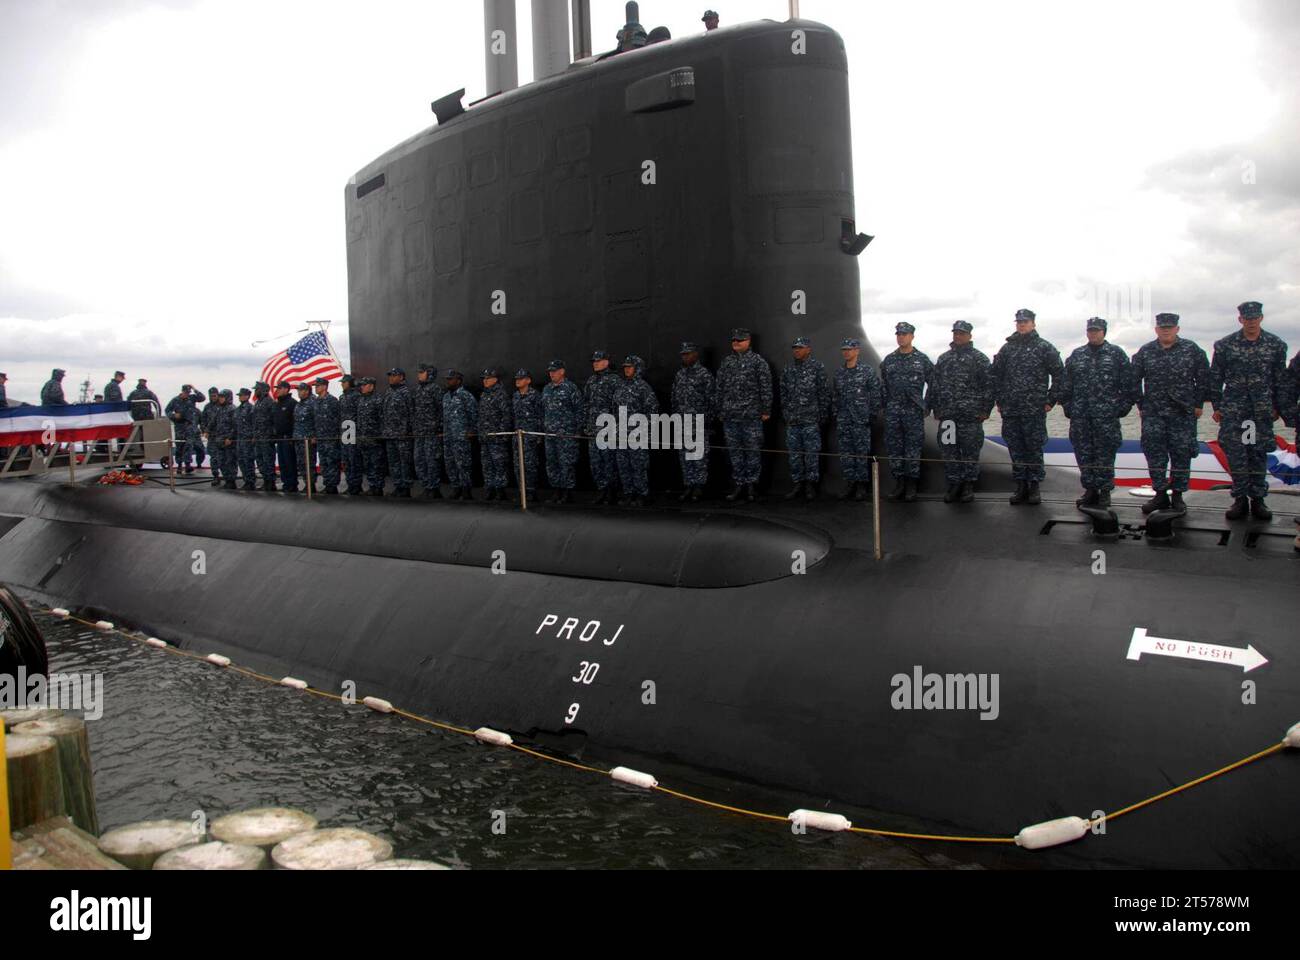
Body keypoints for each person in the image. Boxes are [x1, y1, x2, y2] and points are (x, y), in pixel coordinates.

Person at [1209, 301, 1289, 521]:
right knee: (1237, 455)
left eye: (1255, 318)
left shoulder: (1275, 345)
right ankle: (1240, 499)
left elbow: (1280, 380)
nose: (1251, 322)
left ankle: (1258, 500)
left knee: (1258, 453)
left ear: (1261, 318)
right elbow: (1215, 378)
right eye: (1247, 318)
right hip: (1234, 411)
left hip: (1260, 413)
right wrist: (1217, 407)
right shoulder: (1225, 345)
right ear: (1240, 319)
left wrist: (1277, 407)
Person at [1130, 313, 1209, 516]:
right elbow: (1133, 380)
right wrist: (1141, 404)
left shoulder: (1192, 350)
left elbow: (1204, 378)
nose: (1166, 330)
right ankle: (1160, 495)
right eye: (1162, 327)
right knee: (1155, 455)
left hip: (1182, 413)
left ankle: (1178, 496)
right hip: (1154, 413)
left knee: (1181, 454)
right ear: (1156, 329)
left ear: (1177, 329)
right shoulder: (1146, 351)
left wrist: (1198, 404)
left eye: (1170, 327)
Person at [991, 309, 1063, 505]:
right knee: (1015, 448)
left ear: (1033, 324)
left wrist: (1051, 399)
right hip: (1011, 409)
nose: (1021, 325)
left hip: (1034, 409)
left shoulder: (1044, 348)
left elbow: (1059, 374)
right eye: (1019, 322)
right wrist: (1000, 400)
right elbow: (996, 376)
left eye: (1025, 322)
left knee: (1033, 448)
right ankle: (1021, 485)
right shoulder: (1008, 349)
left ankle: (1034, 486)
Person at [1058, 318, 1131, 508]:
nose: (1093, 334)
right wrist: (1068, 407)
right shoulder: (1077, 354)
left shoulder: (1116, 354)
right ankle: (1090, 490)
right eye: (1090, 330)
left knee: (1105, 454)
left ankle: (1105, 491)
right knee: (1084, 453)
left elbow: (1128, 385)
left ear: (1104, 332)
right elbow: (1066, 384)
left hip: (1106, 417)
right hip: (1081, 416)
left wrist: (1120, 408)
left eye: (1097, 331)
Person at [929, 321, 994, 504]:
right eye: (956, 333)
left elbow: (989, 386)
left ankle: (968, 485)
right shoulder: (944, 359)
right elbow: (935, 385)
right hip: (948, 416)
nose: (958, 336)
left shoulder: (979, 359)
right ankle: (954, 484)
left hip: (970, 416)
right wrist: (936, 408)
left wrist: (984, 409)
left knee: (970, 451)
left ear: (969, 336)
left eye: (962, 334)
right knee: (949, 451)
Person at [715, 328, 772, 502]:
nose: (736, 343)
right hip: (731, 417)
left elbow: (766, 387)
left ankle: (751, 486)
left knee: (753, 452)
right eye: (734, 340)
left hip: (751, 416)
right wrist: (720, 410)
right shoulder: (727, 363)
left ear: (748, 341)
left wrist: (766, 410)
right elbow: (719, 388)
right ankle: (739, 484)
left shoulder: (758, 362)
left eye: (739, 340)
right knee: (735, 453)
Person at [880, 322, 933, 503]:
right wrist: (886, 405)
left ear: (912, 336)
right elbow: (883, 385)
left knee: (912, 449)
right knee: (895, 449)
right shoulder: (888, 360)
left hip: (913, 412)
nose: (901, 337)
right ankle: (899, 483)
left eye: (905, 334)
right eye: (899, 334)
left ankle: (911, 485)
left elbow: (933, 383)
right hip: (893, 412)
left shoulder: (922, 359)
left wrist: (927, 405)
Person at [832, 337, 883, 502]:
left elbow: (876, 394)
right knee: (846, 454)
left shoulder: (867, 371)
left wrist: (871, 415)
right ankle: (850, 483)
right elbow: (835, 396)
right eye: (844, 350)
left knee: (861, 453)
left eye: (850, 349)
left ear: (857, 351)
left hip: (861, 420)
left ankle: (861, 485)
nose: (846, 352)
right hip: (844, 420)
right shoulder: (839, 373)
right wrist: (836, 414)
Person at [780, 336, 830, 501]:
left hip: (810, 419)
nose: (797, 350)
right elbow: (784, 394)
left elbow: (823, 393)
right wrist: (786, 413)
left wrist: (821, 415)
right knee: (794, 455)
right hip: (793, 420)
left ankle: (811, 484)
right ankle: (798, 483)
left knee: (811, 454)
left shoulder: (817, 368)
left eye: (800, 347)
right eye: (795, 347)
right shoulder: (788, 370)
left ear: (808, 349)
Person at [612, 355, 659, 506]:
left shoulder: (643, 387)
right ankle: (628, 493)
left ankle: (641, 494)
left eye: (630, 367)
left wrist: (647, 432)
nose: (626, 369)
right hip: (622, 435)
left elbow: (652, 411)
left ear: (638, 368)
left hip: (637, 435)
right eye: (625, 367)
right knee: (623, 466)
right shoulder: (620, 387)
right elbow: (614, 410)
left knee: (638, 466)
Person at [671, 342, 713, 502]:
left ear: (696, 354)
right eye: (683, 354)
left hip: (699, 422)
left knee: (699, 457)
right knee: (685, 457)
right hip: (682, 423)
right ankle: (688, 484)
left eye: (688, 353)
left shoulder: (704, 374)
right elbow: (674, 397)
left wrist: (707, 421)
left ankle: (699, 487)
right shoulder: (680, 375)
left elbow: (711, 399)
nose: (685, 356)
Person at [542, 360, 584, 503]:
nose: (551, 373)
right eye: (550, 371)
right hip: (550, 434)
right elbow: (544, 411)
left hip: (566, 435)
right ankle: (556, 491)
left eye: (554, 371)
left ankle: (567, 492)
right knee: (552, 464)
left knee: (566, 464)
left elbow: (579, 410)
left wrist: (577, 430)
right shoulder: (546, 389)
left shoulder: (571, 388)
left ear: (562, 372)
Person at [584, 351, 621, 504]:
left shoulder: (614, 380)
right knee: (596, 463)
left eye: (598, 361)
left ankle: (612, 492)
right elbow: (586, 403)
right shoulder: (591, 381)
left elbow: (619, 404)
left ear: (606, 362)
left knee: (609, 462)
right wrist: (586, 424)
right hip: (593, 430)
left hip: (608, 429)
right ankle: (602, 490)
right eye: (594, 361)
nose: (595, 363)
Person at [478, 368, 514, 501]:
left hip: (497, 438)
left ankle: (500, 490)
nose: (485, 381)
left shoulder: (501, 395)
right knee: (487, 465)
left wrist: (501, 434)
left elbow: (506, 416)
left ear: (495, 379)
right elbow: (481, 416)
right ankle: (490, 488)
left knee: (499, 465)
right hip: (485, 437)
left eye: (487, 378)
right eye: (484, 378)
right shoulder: (484, 395)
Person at [442, 370, 478, 500]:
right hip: (448, 436)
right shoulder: (446, 397)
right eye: (447, 379)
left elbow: (473, 414)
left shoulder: (466, 396)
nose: (448, 381)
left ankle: (466, 490)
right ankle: (455, 488)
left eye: (451, 379)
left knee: (463, 464)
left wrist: (471, 430)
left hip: (461, 437)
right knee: (450, 464)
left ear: (458, 380)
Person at [382, 367, 415, 498]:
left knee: (404, 462)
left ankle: (406, 488)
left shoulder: (406, 393)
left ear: (401, 377)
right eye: (390, 375)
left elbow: (411, 412)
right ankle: (398, 486)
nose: (391, 378)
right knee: (393, 462)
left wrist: (409, 431)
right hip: (390, 435)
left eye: (394, 375)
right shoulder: (389, 392)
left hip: (403, 435)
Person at [413, 364, 444, 499]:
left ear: (430, 373)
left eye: (422, 372)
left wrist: (439, 428)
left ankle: (434, 488)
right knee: (419, 460)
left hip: (432, 432)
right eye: (418, 372)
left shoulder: (435, 389)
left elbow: (441, 409)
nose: (419, 374)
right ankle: (426, 486)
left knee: (432, 461)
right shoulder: (417, 389)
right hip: (419, 433)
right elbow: (414, 410)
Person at [512, 369, 544, 503]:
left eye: (521, 378)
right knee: (518, 465)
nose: (518, 381)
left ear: (528, 380)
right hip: (517, 437)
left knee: (530, 465)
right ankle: (522, 492)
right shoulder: (515, 396)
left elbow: (541, 416)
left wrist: (538, 435)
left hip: (530, 436)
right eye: (516, 378)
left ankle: (531, 492)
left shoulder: (535, 396)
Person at [357, 377, 388, 495]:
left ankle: (378, 487)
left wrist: (380, 435)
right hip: (364, 439)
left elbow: (383, 419)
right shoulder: (361, 400)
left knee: (377, 464)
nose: (362, 387)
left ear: (371, 386)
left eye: (364, 385)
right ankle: (372, 485)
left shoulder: (378, 399)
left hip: (375, 439)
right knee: (368, 464)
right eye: (362, 385)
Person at [312, 377, 342, 495]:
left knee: (332, 462)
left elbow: (339, 419)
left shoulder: (332, 400)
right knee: (324, 463)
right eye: (315, 386)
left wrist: (339, 436)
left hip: (331, 438)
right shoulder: (316, 402)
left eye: (318, 386)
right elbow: (315, 421)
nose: (316, 388)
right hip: (320, 438)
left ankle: (333, 486)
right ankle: (327, 484)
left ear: (324, 386)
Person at [338, 374, 364, 495]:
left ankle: (357, 485)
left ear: (350, 383)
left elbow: (360, 414)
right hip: (344, 431)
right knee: (347, 460)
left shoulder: (357, 396)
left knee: (354, 460)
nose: (342, 384)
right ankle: (350, 484)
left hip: (353, 430)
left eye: (344, 382)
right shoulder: (342, 397)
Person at [272, 380, 299, 494]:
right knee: (282, 463)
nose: (277, 390)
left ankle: (292, 484)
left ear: (286, 389)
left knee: (290, 462)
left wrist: (292, 437)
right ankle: (286, 483)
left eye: (279, 388)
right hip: (279, 438)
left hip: (288, 438)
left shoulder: (292, 403)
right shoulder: (278, 404)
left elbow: (294, 421)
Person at [165, 385, 199, 472]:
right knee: (179, 446)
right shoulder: (175, 400)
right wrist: (173, 415)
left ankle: (188, 465)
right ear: (182, 391)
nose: (187, 394)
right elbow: (167, 410)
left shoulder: (192, 398)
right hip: (179, 426)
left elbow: (202, 397)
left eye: (188, 392)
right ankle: (179, 465)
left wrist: (194, 388)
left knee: (189, 445)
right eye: (186, 392)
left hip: (189, 425)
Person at [252, 381, 278, 491]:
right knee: (260, 460)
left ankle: (271, 482)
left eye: (257, 389)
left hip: (267, 437)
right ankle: (266, 480)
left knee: (268, 460)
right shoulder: (257, 403)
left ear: (263, 390)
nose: (255, 391)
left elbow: (274, 420)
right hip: (258, 437)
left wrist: (271, 435)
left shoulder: (269, 402)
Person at [210, 390, 238, 490]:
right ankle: (227, 480)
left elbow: (235, 426)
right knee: (221, 461)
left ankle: (231, 481)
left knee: (230, 461)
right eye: (220, 397)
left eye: (222, 397)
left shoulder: (232, 409)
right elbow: (213, 421)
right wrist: (207, 430)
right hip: (219, 441)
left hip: (228, 441)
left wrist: (230, 438)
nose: (220, 398)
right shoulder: (219, 409)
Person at [292, 382, 317, 493]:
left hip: (308, 439)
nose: (299, 392)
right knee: (301, 463)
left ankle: (311, 485)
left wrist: (314, 435)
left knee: (309, 463)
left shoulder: (313, 403)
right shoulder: (299, 404)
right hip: (299, 438)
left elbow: (318, 420)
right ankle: (307, 483)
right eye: (298, 390)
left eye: (301, 390)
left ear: (307, 391)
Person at [234, 387, 258, 490]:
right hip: (239, 439)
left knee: (248, 460)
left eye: (242, 395)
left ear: (247, 396)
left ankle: (250, 481)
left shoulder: (251, 408)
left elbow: (254, 423)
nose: (240, 397)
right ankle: (246, 480)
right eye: (239, 395)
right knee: (241, 460)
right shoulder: (238, 409)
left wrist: (253, 436)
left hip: (248, 439)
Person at [201, 386, 221, 484]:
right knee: (213, 457)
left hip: (222, 436)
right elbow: (203, 420)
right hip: (212, 436)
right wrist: (205, 431)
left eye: (214, 395)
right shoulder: (207, 407)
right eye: (211, 396)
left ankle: (228, 476)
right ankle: (215, 476)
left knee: (225, 457)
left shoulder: (223, 405)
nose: (213, 397)